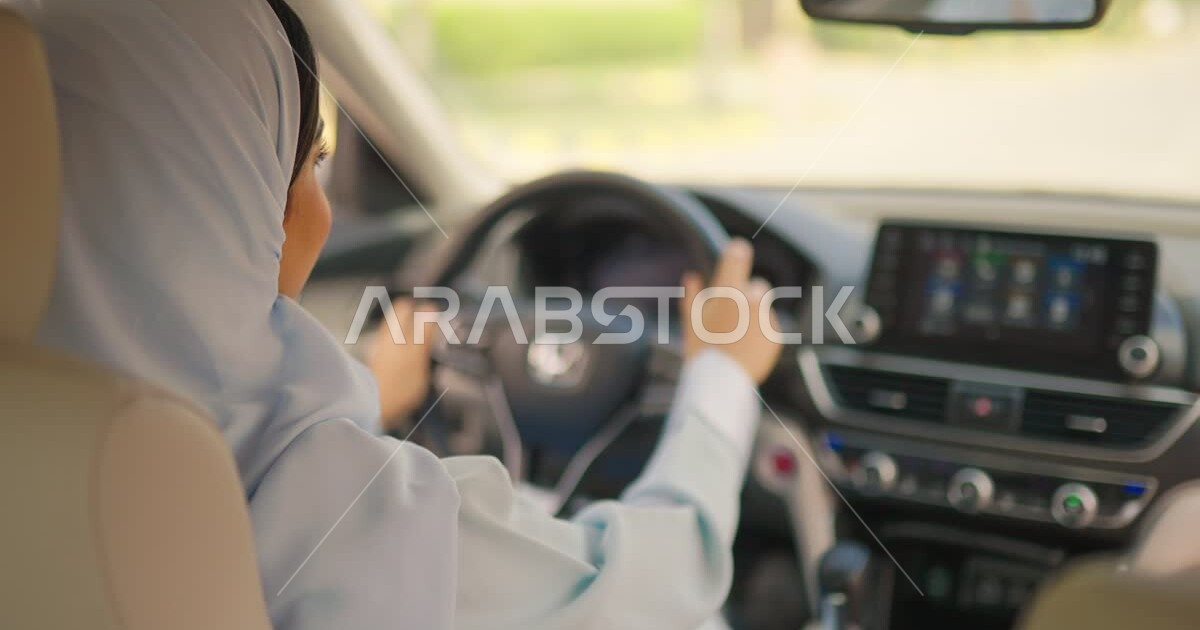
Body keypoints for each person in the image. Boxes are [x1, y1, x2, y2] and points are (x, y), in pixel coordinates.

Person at [28, 0, 784, 628]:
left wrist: (363, 390)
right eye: (309, 162)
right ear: (230, 203)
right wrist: (720, 377)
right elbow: (657, 586)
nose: (319, 211)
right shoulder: (326, 503)